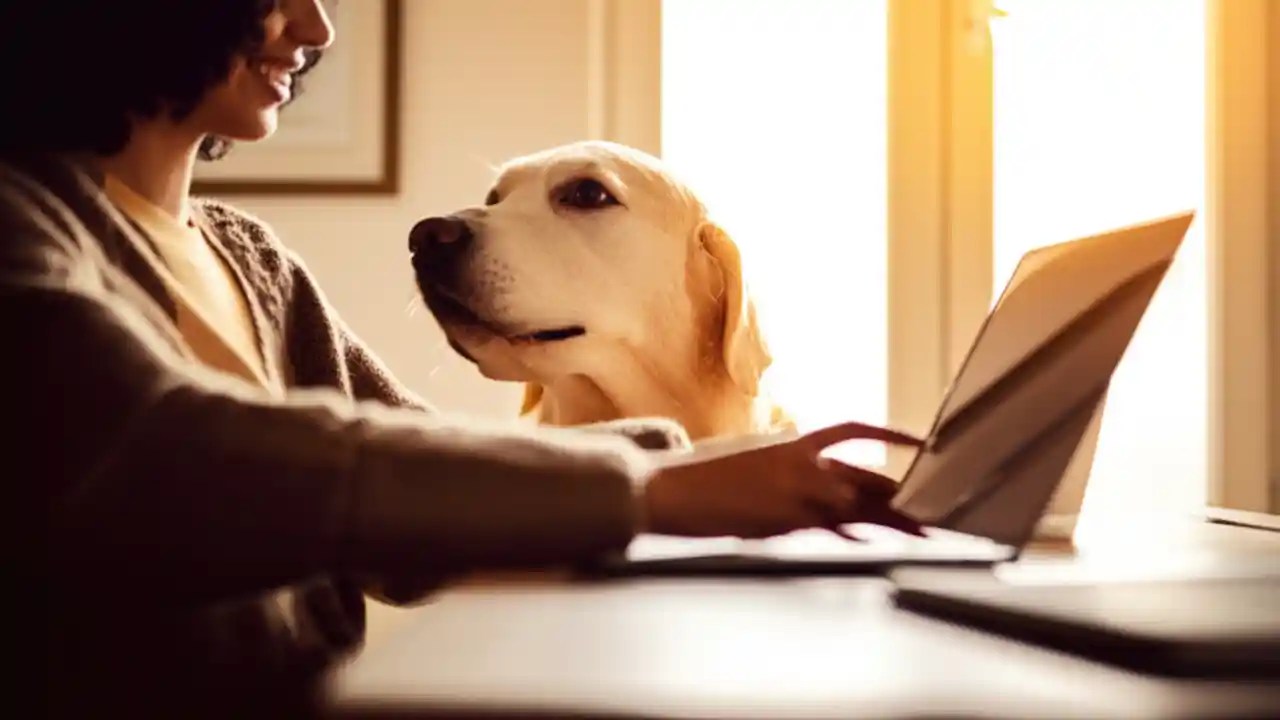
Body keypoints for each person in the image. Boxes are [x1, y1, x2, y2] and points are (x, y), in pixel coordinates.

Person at [1, 1, 924, 717]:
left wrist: (726, 482)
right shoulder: (22, 222)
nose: (317, 28)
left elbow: (422, 500)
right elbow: (159, 449)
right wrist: (660, 489)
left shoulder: (253, 260)